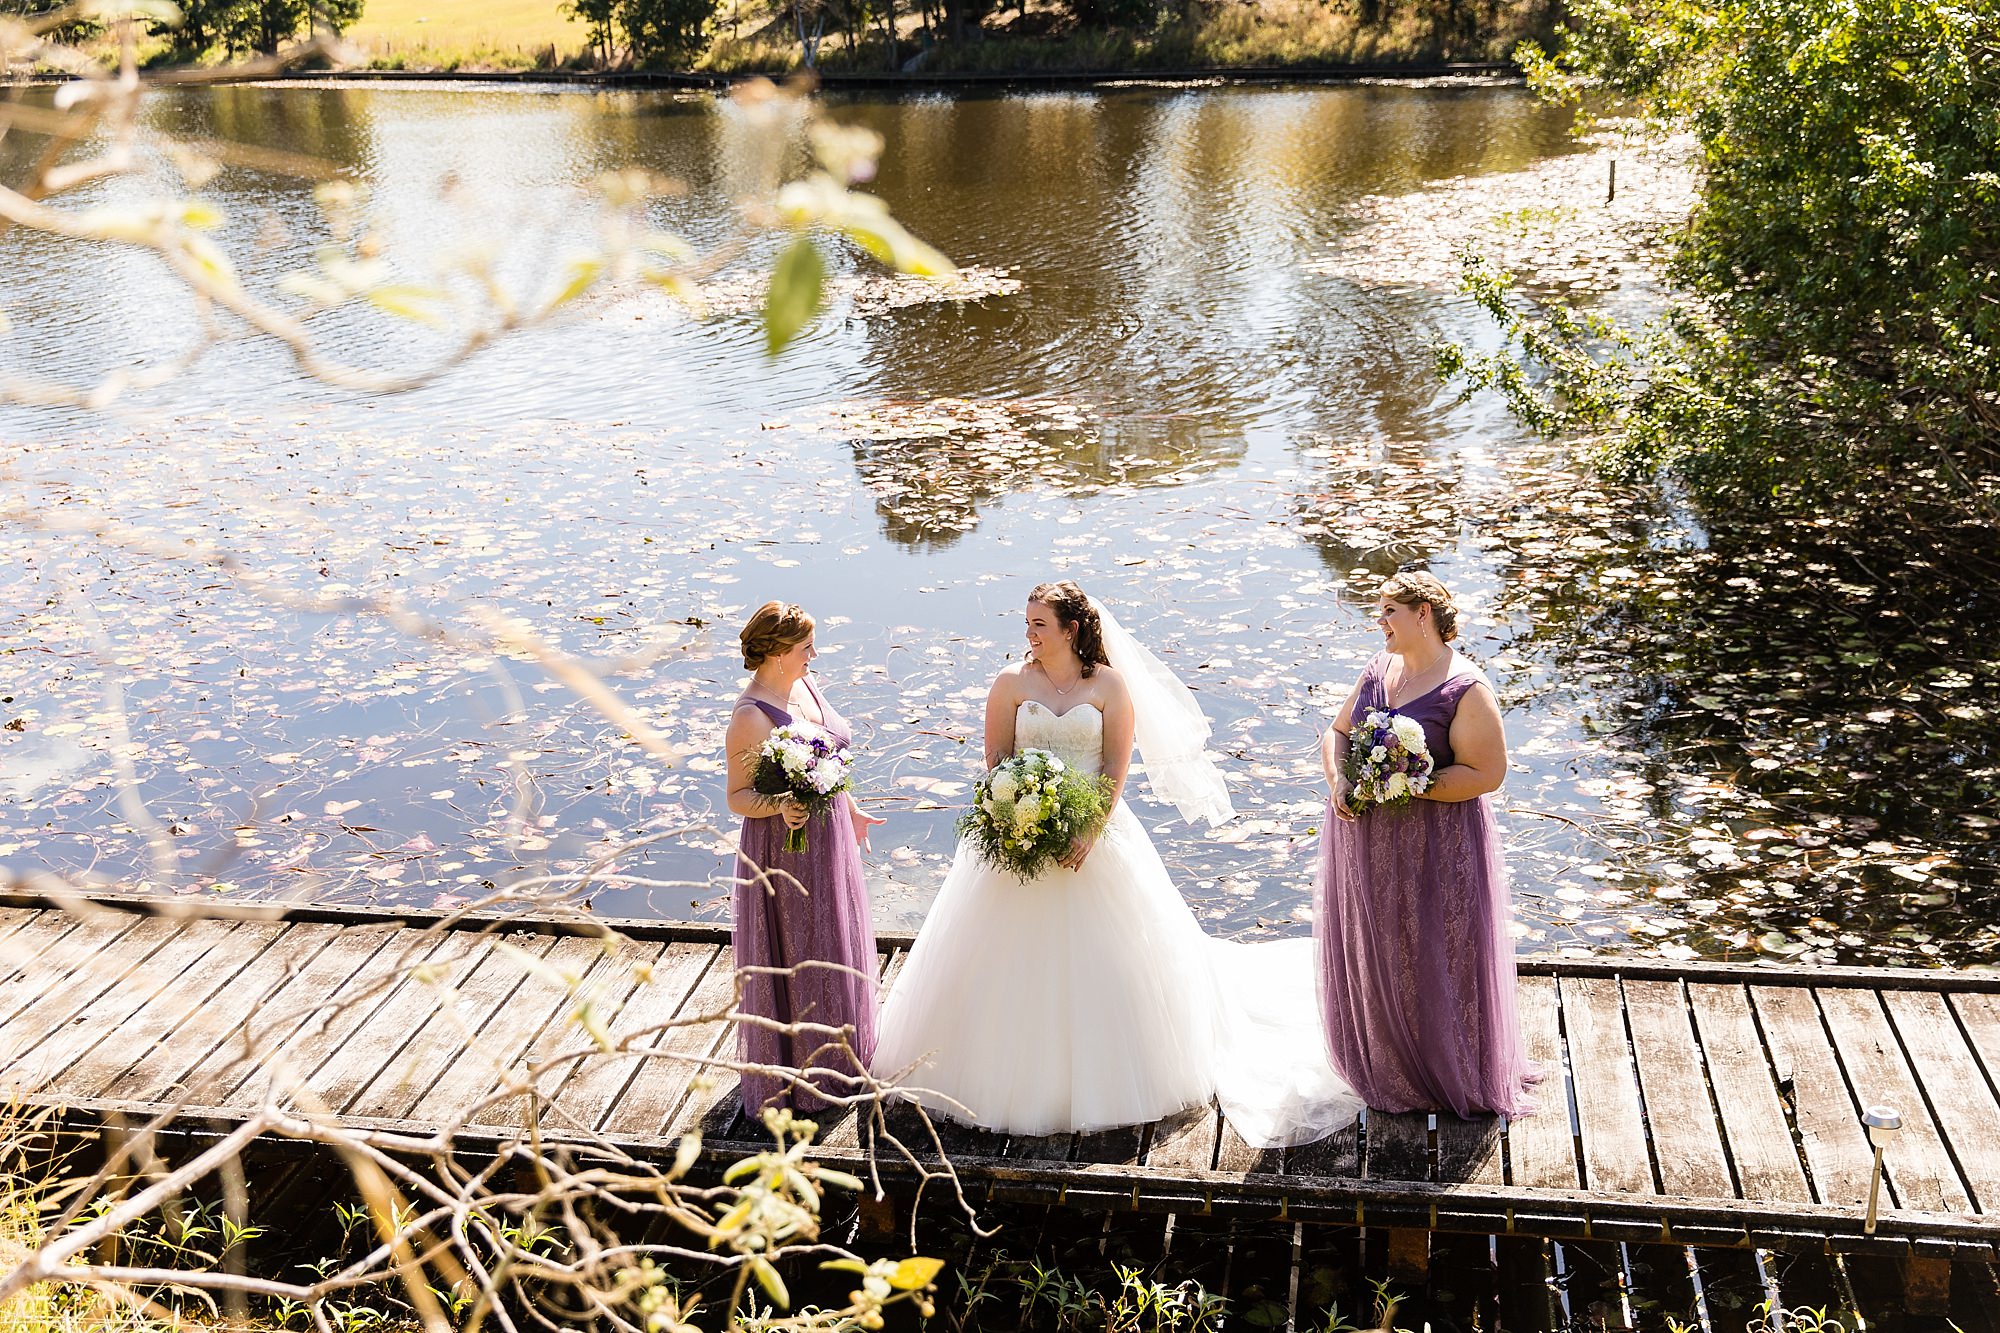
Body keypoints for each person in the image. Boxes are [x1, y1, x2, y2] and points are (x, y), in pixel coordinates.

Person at [873, 581, 1362, 1146]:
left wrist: (1086, 832)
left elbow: (1112, 767)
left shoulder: (1109, 686)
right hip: (1016, 833)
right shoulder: (1010, 683)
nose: (1029, 634)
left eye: (1039, 625)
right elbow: (996, 759)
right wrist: (1012, 815)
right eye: (1027, 624)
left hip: (1094, 834)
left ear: (1070, 630)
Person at [1315, 571, 1536, 1118]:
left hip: (1436, 845)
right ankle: (1383, 1056)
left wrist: (1408, 782)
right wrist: (1342, 781)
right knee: (1379, 943)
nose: (1380, 620)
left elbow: (1487, 773)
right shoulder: (1378, 670)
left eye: (1390, 609)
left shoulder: (1465, 688)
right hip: (1367, 839)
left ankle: (1446, 1065)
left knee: (1437, 946)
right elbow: (1337, 732)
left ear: (1423, 615)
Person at [725, 600, 884, 1117]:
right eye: (804, 647)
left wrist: (852, 810)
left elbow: (830, 762)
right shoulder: (750, 717)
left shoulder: (804, 685)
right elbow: (737, 797)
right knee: (800, 948)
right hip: (784, 850)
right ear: (775, 653)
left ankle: (843, 1057)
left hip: (830, 835)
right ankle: (802, 1072)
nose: (813, 654)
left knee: (834, 938)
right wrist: (781, 805)